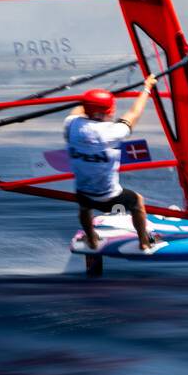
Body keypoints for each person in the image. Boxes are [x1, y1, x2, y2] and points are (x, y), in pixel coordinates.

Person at [65, 74, 160, 251]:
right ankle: (144, 242)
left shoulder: (71, 126)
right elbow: (134, 113)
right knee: (137, 201)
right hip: (108, 196)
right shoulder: (111, 132)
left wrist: (91, 100)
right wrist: (147, 87)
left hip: (82, 191)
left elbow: (77, 111)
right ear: (105, 113)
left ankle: (92, 240)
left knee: (85, 207)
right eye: (112, 108)